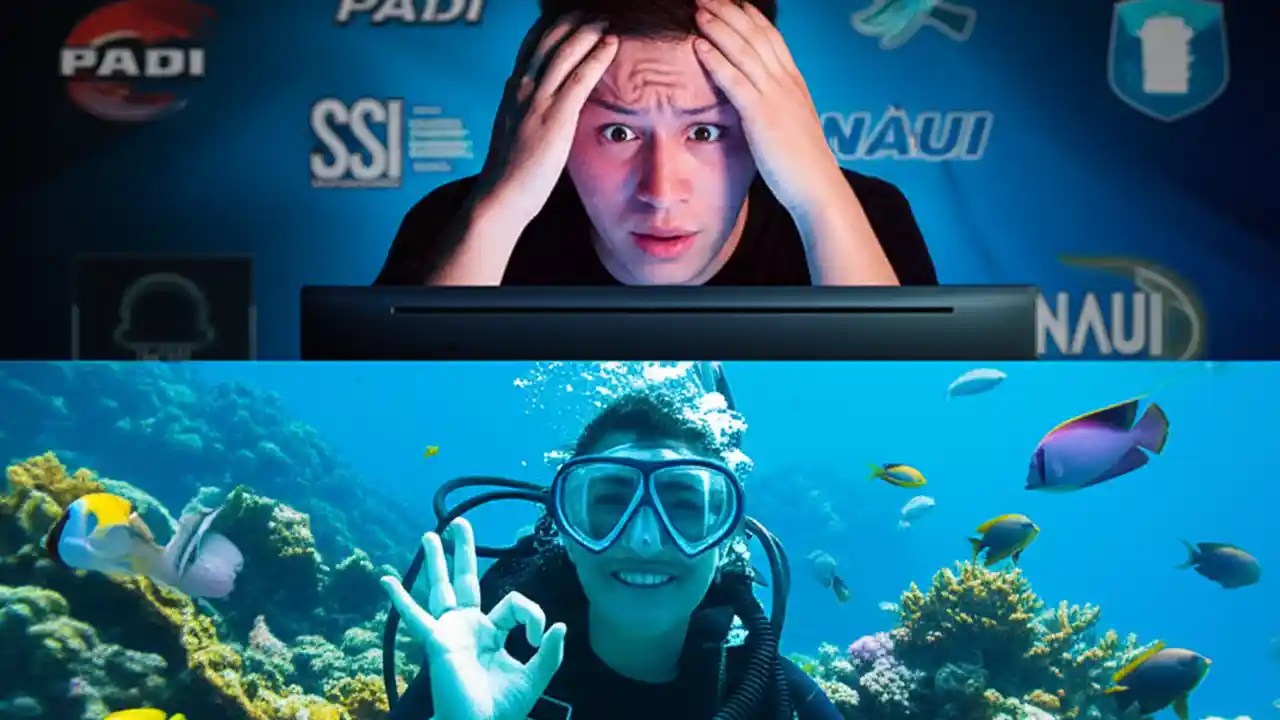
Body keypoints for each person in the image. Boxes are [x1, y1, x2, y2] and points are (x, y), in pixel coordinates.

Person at [375, 0, 937, 287]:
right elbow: (390, 408)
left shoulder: (865, 219)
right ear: (547, 122)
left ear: (770, 120)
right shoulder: (453, 225)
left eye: (706, 131)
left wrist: (821, 198)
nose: (660, 192)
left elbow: (910, 420)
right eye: (617, 132)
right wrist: (496, 212)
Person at [379, 390, 842, 719]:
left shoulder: (766, 694)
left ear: (723, 540)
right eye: (608, 504)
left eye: (682, 506)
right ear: (565, 529)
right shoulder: (487, 662)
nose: (643, 539)